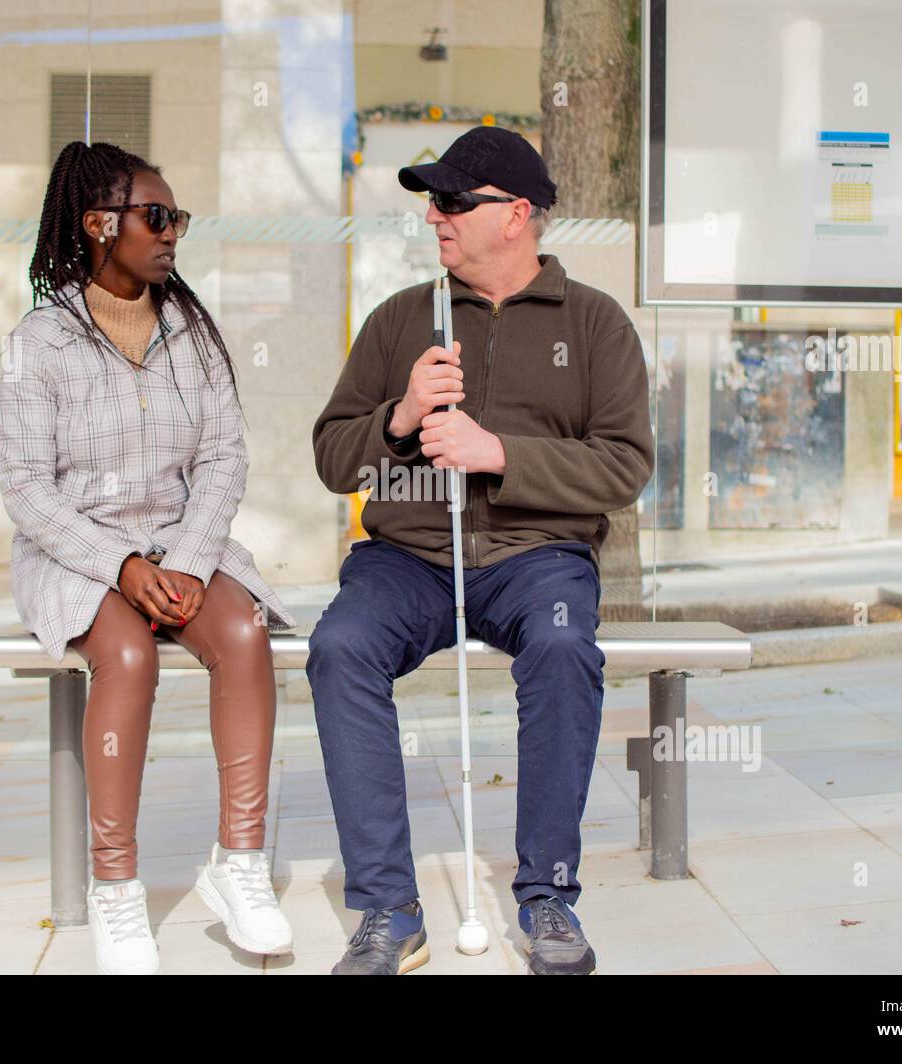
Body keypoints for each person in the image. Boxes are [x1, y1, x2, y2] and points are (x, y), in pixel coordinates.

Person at [309, 125, 655, 975]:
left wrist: (499, 453)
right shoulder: (400, 320)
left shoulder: (597, 323)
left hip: (537, 557)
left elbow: (625, 464)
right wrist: (397, 419)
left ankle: (548, 896)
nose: (436, 216)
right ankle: (389, 908)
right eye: (432, 200)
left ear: (518, 216)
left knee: (567, 643)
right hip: (410, 557)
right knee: (339, 646)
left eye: (455, 201)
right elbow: (330, 457)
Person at [0, 141, 297, 975]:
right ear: (98, 226)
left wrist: (192, 564)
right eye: (156, 218)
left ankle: (239, 865)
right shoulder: (40, 342)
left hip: (182, 543)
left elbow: (225, 459)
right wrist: (125, 567)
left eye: (178, 220)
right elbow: (25, 488)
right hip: (75, 552)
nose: (172, 235)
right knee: (126, 654)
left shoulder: (193, 335)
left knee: (242, 636)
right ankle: (116, 888)